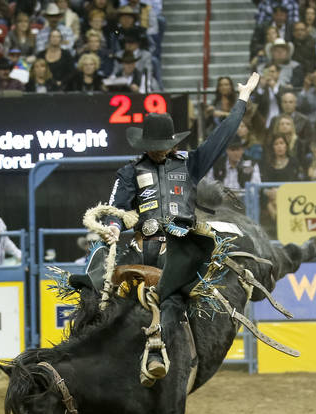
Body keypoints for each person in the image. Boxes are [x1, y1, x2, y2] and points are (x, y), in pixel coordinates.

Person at [102, 72, 261, 383]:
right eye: (154, 145)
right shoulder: (129, 173)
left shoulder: (190, 163)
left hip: (183, 249)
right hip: (144, 250)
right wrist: (111, 226)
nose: (159, 150)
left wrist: (242, 100)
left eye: (163, 145)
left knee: (172, 293)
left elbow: (221, 136)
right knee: (100, 288)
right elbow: (115, 209)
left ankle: (157, 347)